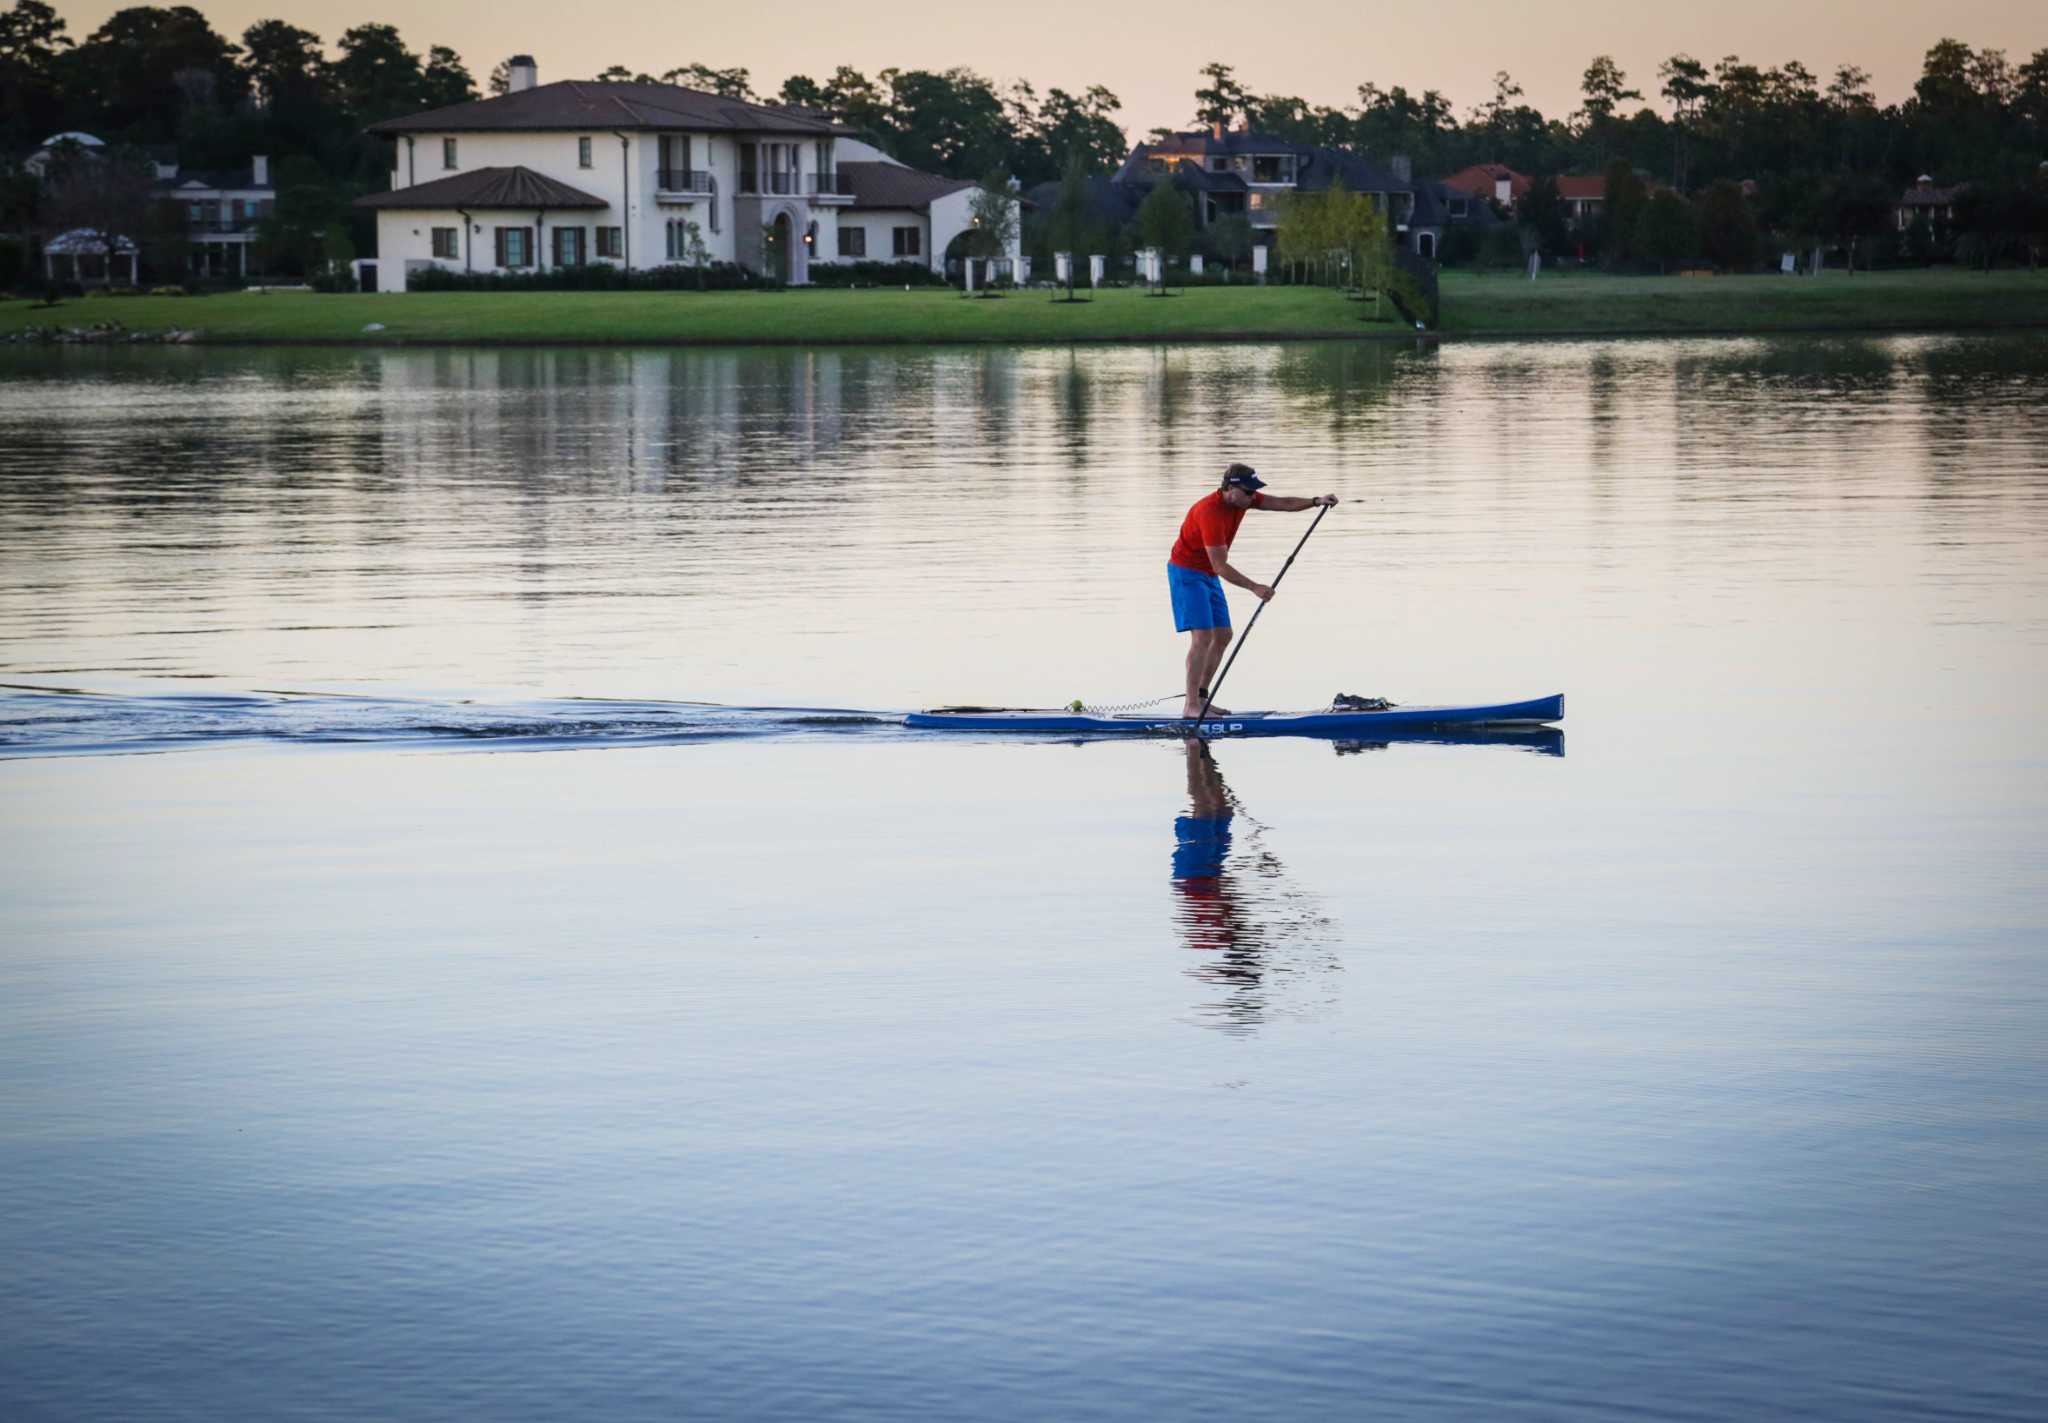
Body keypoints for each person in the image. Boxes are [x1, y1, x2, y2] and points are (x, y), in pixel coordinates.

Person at [1168, 463, 1336, 718]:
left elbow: (1283, 503)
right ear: (1231, 488)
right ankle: (1190, 706)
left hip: (1209, 574)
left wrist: (1316, 501)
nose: (1252, 497)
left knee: (1223, 635)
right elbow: (1220, 565)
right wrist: (1254, 587)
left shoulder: (1242, 499)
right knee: (1202, 638)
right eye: (1248, 492)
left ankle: (1202, 699)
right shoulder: (1209, 512)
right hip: (1187, 574)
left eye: (1253, 492)